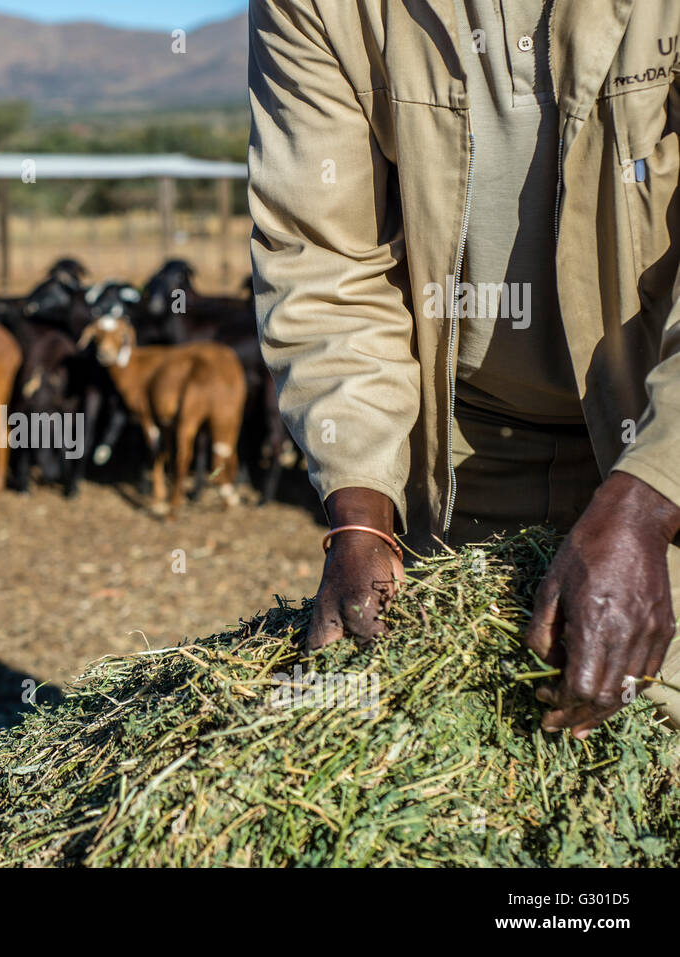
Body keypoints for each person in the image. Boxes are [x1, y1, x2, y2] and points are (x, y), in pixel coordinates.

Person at [248, 0, 680, 737]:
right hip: (469, 442)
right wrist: (362, 516)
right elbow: (322, 253)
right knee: (468, 742)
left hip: (659, 421)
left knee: (652, 730)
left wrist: (650, 496)